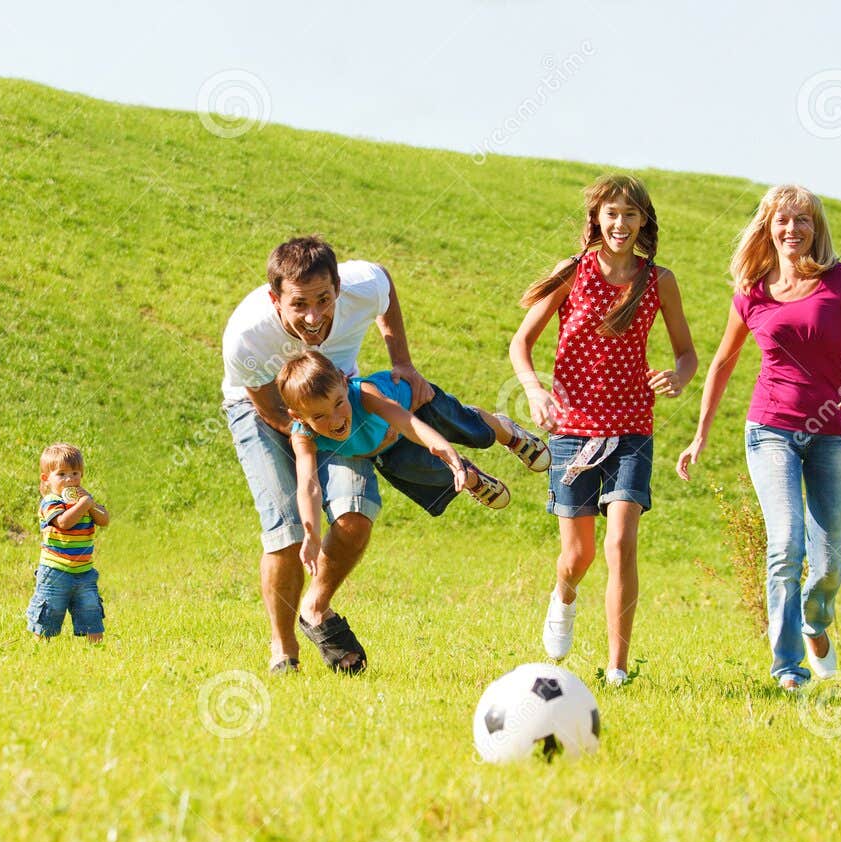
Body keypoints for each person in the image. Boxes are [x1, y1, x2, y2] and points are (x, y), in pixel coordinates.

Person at [676, 184, 841, 690]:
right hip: (770, 430)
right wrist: (699, 436)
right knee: (785, 545)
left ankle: (816, 622)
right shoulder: (752, 291)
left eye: (803, 221)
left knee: (829, 562)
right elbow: (722, 366)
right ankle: (788, 668)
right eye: (782, 221)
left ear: (816, 229)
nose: (792, 230)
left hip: (834, 434)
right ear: (768, 227)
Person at [509, 175, 699, 686]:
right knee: (579, 555)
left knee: (620, 544)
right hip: (572, 431)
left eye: (630, 214)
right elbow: (521, 344)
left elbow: (687, 353)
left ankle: (616, 668)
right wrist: (533, 390)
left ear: (643, 221)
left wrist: (678, 376)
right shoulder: (571, 273)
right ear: (597, 218)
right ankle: (564, 594)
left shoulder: (659, 281)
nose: (620, 224)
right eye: (611, 214)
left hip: (632, 429)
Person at [222, 237, 434, 675]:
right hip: (261, 408)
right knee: (287, 528)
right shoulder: (246, 336)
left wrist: (403, 362)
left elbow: (387, 286)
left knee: (354, 517)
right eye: (299, 304)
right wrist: (309, 444)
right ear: (275, 299)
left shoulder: (362, 285)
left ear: (339, 287)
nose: (314, 317)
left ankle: (316, 608)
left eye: (324, 299)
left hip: (338, 399)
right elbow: (269, 407)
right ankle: (284, 650)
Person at [278, 351, 548, 595]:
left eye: (339, 403)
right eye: (319, 416)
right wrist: (311, 534)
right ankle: (471, 476)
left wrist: (445, 448)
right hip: (386, 446)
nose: (335, 420)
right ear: (298, 416)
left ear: (343, 381)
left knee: (474, 430)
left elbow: (407, 424)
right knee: (432, 476)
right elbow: (309, 486)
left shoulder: (366, 394)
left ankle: (507, 432)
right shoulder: (303, 437)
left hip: (418, 407)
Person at [26, 442, 109, 643]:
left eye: (75, 473)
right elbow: (64, 522)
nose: (70, 479)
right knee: (48, 610)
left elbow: (103, 519)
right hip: (55, 571)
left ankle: (96, 648)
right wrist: (83, 505)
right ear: (46, 479)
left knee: (91, 610)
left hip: (84, 572)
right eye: (61, 474)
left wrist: (89, 504)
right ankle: (39, 647)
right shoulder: (50, 501)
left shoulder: (84, 500)